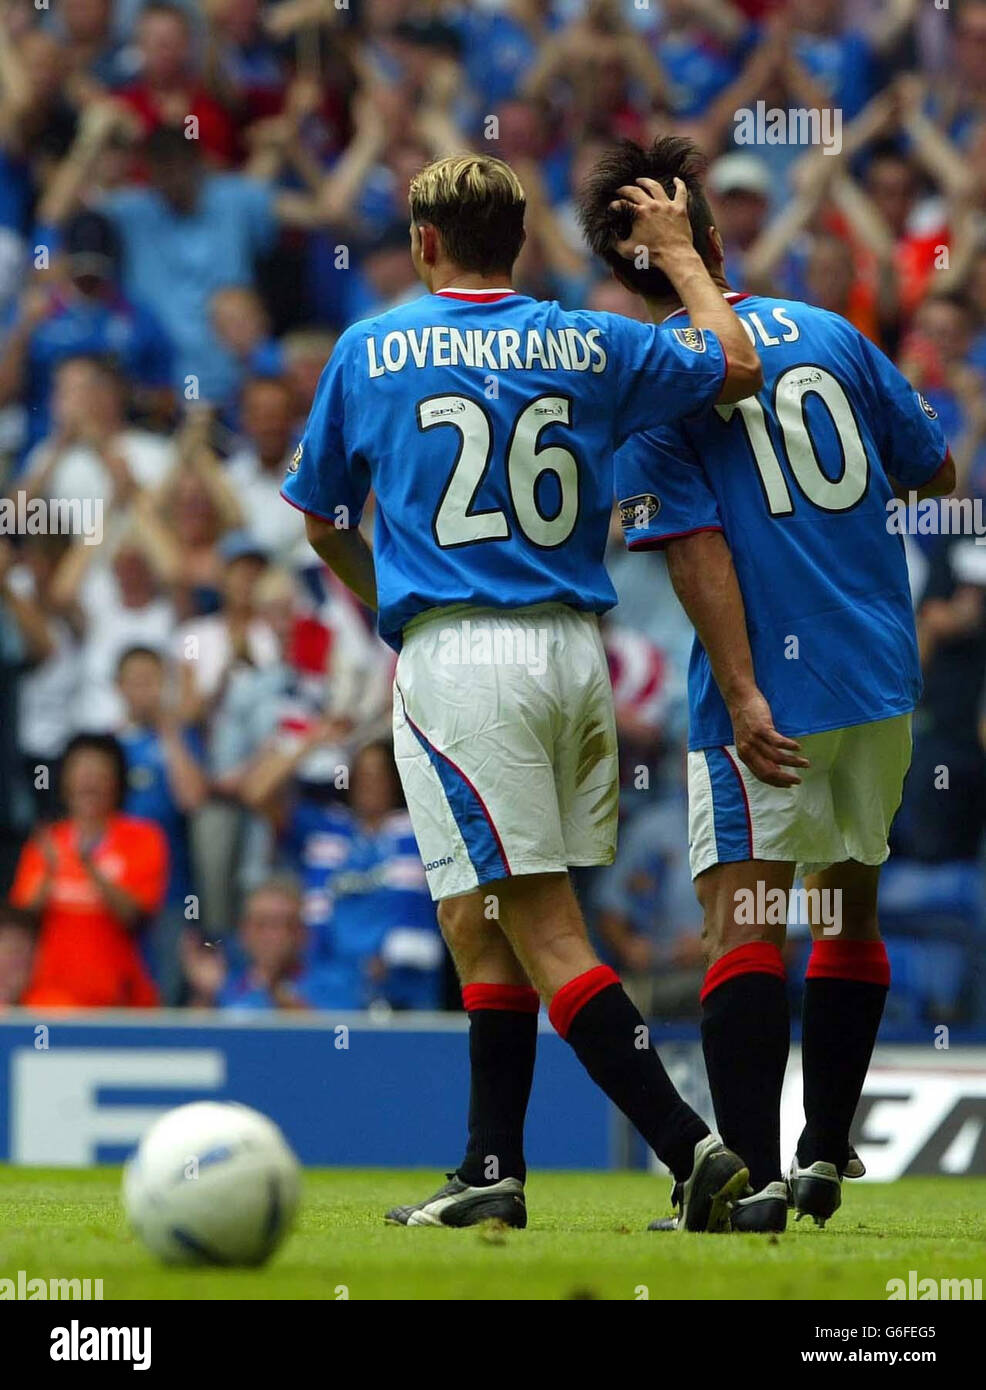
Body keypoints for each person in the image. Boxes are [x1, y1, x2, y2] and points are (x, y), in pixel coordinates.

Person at [283, 151, 763, 1231]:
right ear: (522, 242)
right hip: (573, 651)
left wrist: (396, 605)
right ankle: (491, 1168)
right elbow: (735, 364)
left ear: (424, 244)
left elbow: (320, 520)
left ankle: (692, 1151)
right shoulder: (591, 340)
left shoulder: (368, 348)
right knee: (478, 913)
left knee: (543, 928)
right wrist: (682, 259)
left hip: (462, 656)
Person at [578, 136, 956, 1231]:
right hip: (877, 669)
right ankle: (825, 1148)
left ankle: (746, 1182)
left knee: (743, 921)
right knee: (845, 905)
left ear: (628, 273)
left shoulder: (656, 382)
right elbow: (935, 468)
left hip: (772, 689)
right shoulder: (828, 330)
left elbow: (694, 549)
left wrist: (742, 689)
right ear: (712, 238)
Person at [9, 732, 168, 1007]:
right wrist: (48, 876)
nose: (89, 781)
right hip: (50, 1001)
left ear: (117, 781)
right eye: (81, 770)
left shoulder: (143, 838)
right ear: (65, 779)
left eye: (99, 772)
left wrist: (89, 865)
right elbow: (20, 923)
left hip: (121, 1001)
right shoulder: (45, 842)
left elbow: (133, 915)